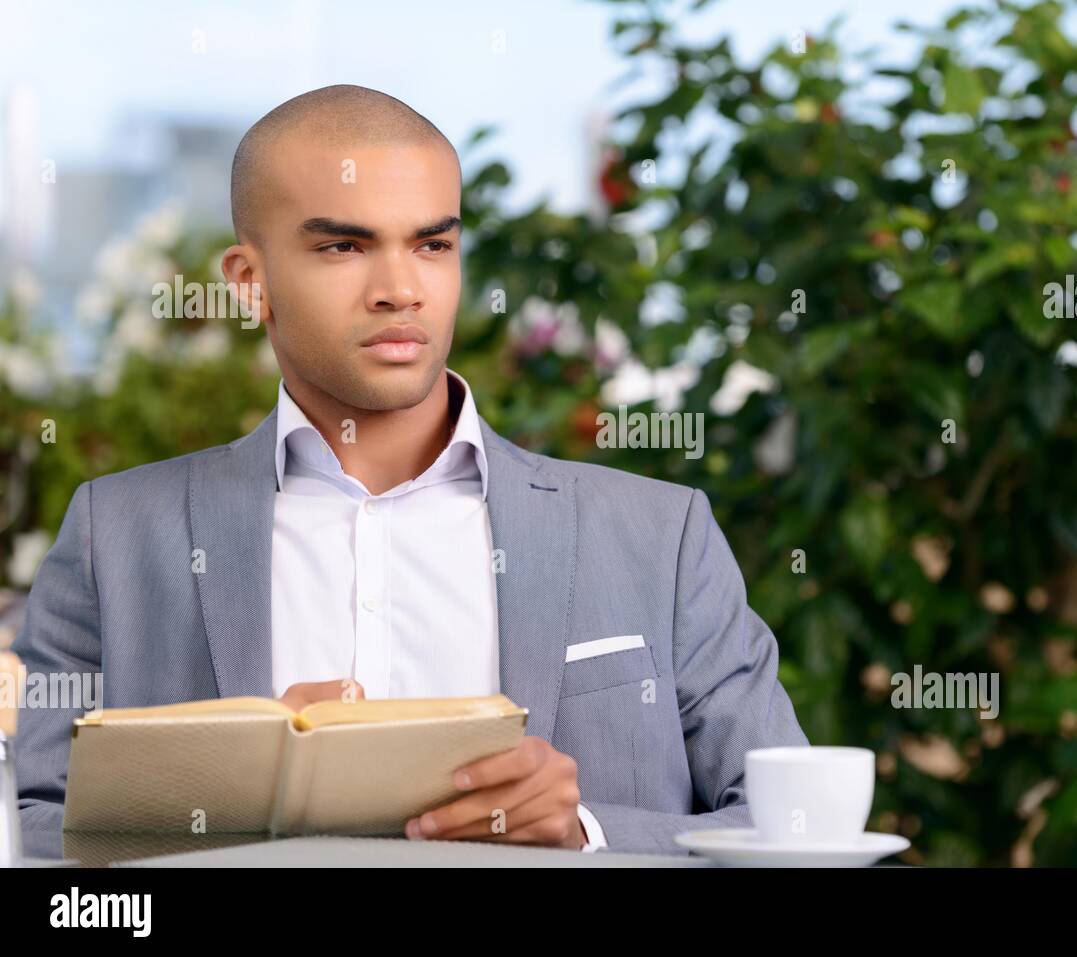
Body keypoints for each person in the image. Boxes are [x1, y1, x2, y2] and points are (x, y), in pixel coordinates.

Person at [13, 84, 807, 858]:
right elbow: (29, 830)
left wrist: (588, 835)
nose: (401, 290)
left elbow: (795, 828)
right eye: (344, 246)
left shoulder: (658, 537)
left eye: (432, 244)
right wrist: (227, 782)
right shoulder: (113, 534)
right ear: (250, 284)